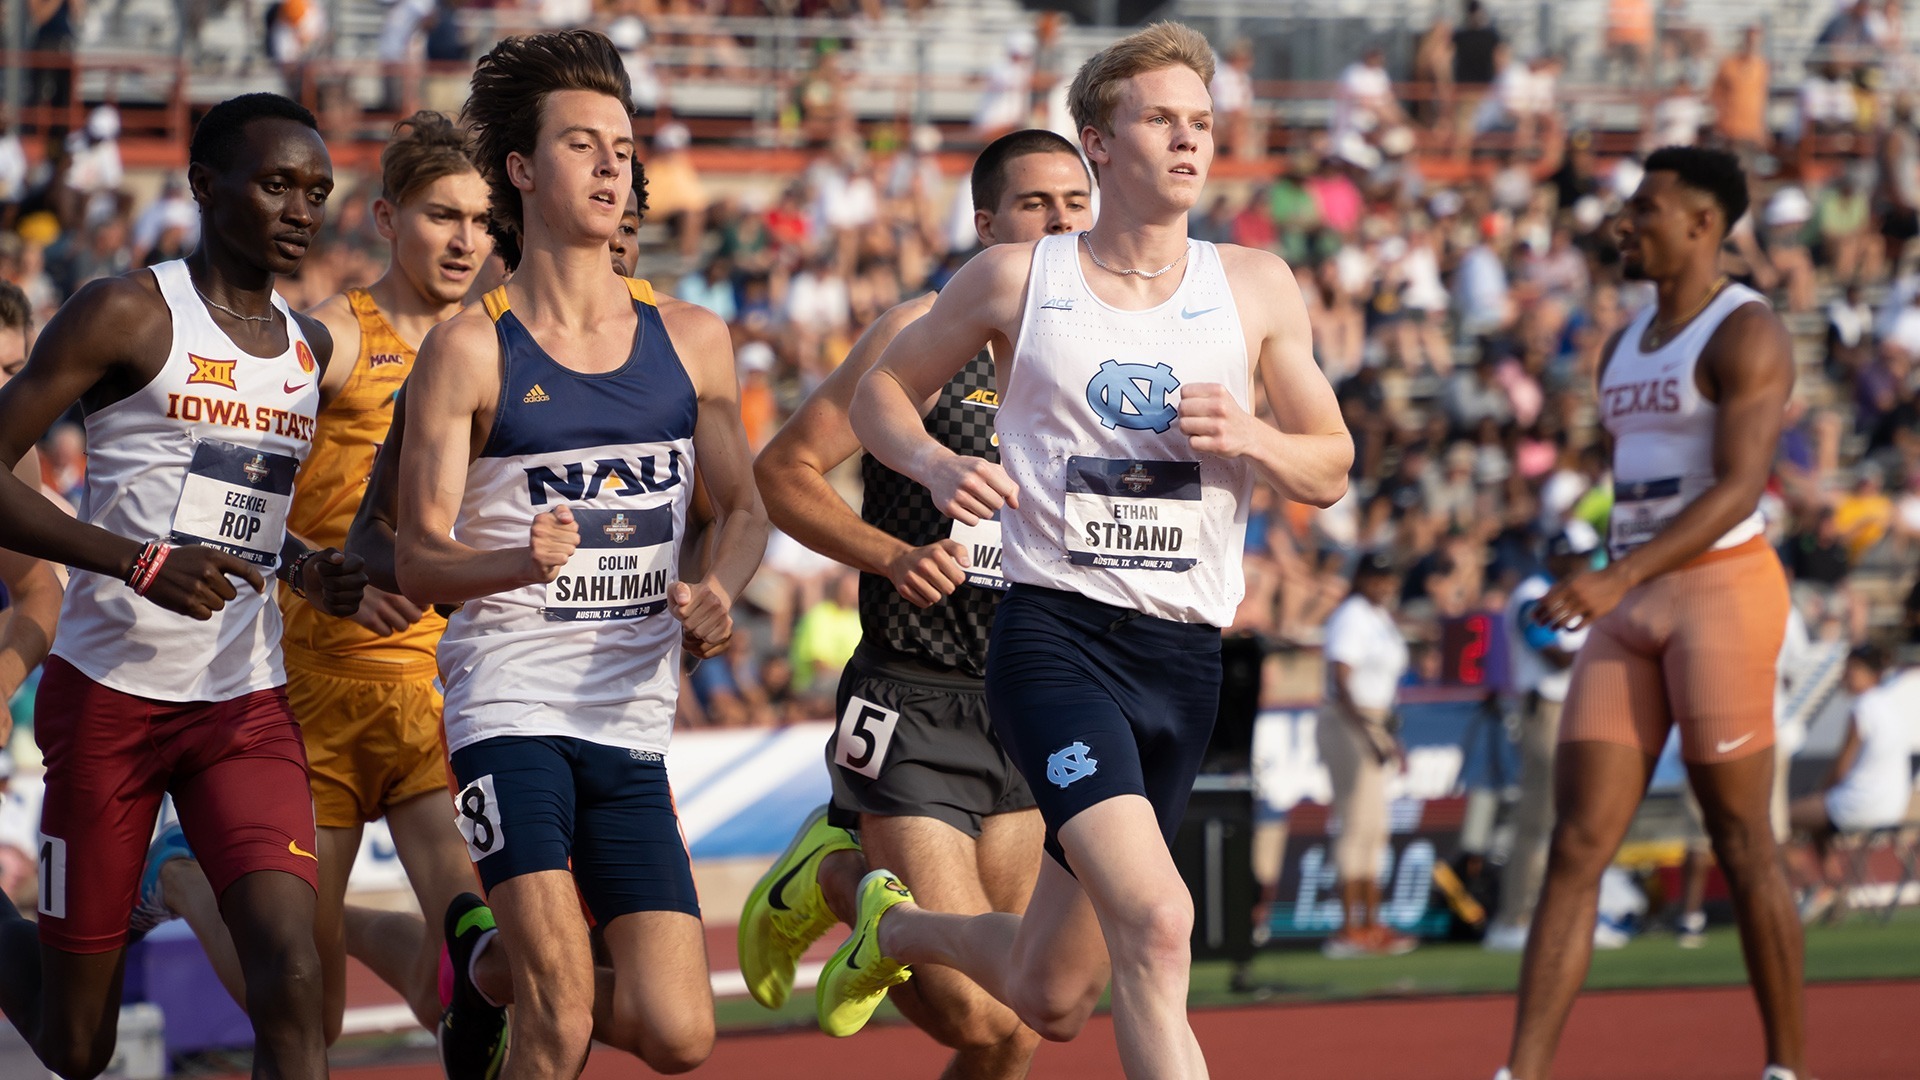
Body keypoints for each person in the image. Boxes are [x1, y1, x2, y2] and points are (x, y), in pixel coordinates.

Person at [832, 23, 1351, 1077]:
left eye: (1201, 122)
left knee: (1051, 993)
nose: (1187, 139)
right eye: (1161, 119)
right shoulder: (1017, 279)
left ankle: (894, 932)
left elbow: (1331, 462)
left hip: (1185, 661)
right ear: (1098, 143)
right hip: (1057, 643)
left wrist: (1253, 436)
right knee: (1160, 923)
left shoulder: (1254, 284)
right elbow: (878, 391)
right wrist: (934, 468)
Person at [396, 30, 768, 1078]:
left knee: (680, 1032)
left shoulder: (690, 337)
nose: (613, 165)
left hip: (631, 715)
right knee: (559, 1022)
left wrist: (718, 593)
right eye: (583, 145)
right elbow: (420, 560)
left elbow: (742, 511)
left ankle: (480, 974)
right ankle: (512, 985)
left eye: (624, 145)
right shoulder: (472, 348)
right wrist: (517, 560)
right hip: (509, 706)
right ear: (521, 169)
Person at [0, 92, 368, 1080]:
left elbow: (236, 516)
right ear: (207, 186)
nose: (301, 208)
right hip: (109, 698)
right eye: (277, 183)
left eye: (317, 191)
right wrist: (135, 562)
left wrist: (306, 570)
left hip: (242, 706)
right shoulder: (127, 310)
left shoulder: (309, 354)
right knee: (79, 1046)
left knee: (293, 980)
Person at [131, 110, 497, 1053]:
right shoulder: (329, 341)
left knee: (482, 965)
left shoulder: (496, 351)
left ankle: (377, 933)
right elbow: (219, 492)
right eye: (441, 216)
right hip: (311, 694)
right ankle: (176, 874)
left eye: (483, 220)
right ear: (385, 220)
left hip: (429, 693)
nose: (465, 241)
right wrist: (316, 570)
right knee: (307, 1021)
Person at [740, 128, 1092, 1076]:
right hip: (914, 695)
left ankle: (840, 877)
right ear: (985, 223)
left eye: (1075, 202)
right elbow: (785, 473)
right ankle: (837, 874)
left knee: (1021, 1019)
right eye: (1035, 204)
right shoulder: (920, 333)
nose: (1060, 221)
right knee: (971, 1014)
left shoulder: (1111, 351)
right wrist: (895, 555)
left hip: (1032, 695)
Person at [1503, 146, 1805, 1080]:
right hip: (1631, 601)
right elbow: (1635, 481)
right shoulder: (1620, 341)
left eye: (1647, 209)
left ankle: (1787, 1067)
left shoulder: (1745, 331)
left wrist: (1615, 573)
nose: (1624, 224)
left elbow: (1738, 486)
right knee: (1577, 843)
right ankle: (1521, 1073)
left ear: (1704, 225)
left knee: (1742, 839)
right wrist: (1588, 553)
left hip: (1721, 591)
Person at [1482, 521, 1598, 953]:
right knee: (1539, 817)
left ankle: (1570, 916)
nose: (1584, 565)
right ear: (1556, 555)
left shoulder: (1574, 593)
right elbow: (1553, 654)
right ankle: (1515, 916)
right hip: (1545, 709)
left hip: (1577, 707)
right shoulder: (1532, 595)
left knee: (1582, 817)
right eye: (1577, 557)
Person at [1317, 552, 1415, 959]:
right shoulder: (1353, 615)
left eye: (1389, 577)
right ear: (1360, 579)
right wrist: (1369, 734)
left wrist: (1389, 738)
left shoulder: (1379, 618)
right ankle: (1349, 928)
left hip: (1374, 721)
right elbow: (1342, 681)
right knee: (1357, 823)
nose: (1385, 584)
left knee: (1375, 827)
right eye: (1376, 577)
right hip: (1349, 720)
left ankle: (1372, 925)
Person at [1791, 644, 1918, 922]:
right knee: (1816, 823)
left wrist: (1821, 792)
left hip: (1859, 804)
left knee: (1779, 819)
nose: (1844, 678)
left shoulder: (1862, 708)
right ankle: (1833, 885)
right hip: (1891, 806)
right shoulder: (1890, 704)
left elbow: (1840, 767)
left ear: (1868, 674)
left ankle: (1820, 886)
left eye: (1850, 671)